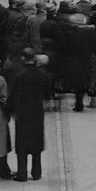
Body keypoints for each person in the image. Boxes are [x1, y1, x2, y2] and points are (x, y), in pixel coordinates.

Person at [9, 50, 47, 182]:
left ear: (23, 58)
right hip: (37, 113)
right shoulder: (42, 75)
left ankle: (22, 174)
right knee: (36, 143)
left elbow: (13, 97)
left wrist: (11, 111)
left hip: (23, 114)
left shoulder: (19, 77)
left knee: (22, 144)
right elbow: (47, 93)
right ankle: (37, 173)